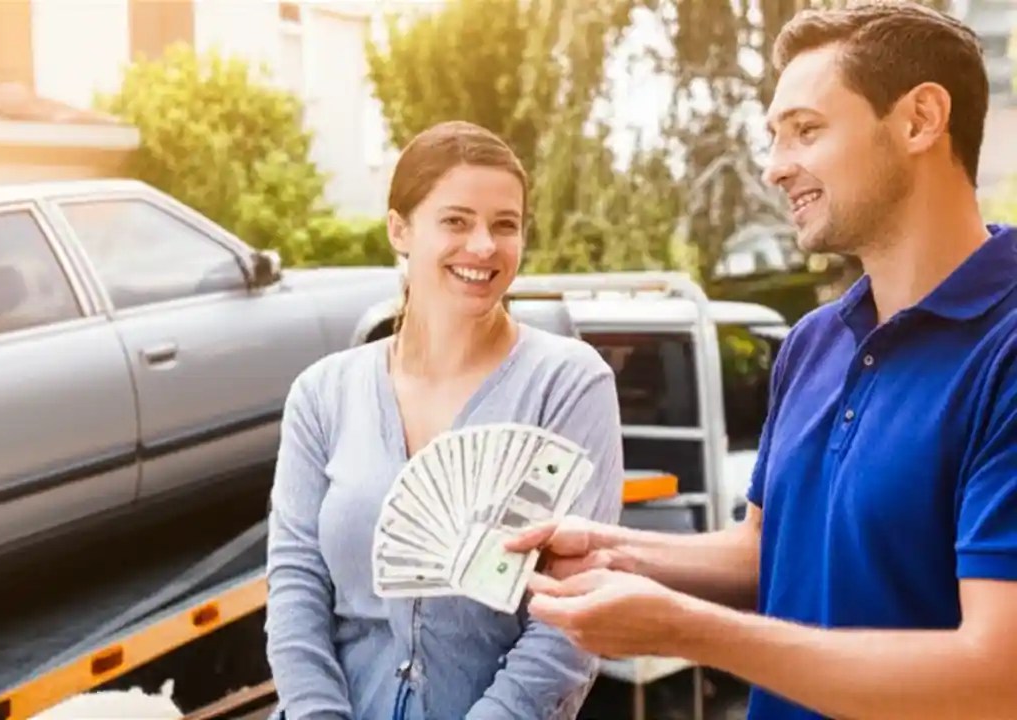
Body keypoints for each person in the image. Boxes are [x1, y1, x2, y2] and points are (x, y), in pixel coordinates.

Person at [506, 2, 1017, 719]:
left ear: (919, 120)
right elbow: (764, 550)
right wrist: (613, 553)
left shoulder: (1007, 352)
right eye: (774, 137)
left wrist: (684, 630)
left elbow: (997, 676)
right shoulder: (811, 342)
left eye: (806, 130)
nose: (776, 168)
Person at [263, 120, 626, 720]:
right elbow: (296, 585)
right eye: (456, 221)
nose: (483, 246)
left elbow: (570, 618)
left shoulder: (568, 383)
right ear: (399, 230)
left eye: (505, 225)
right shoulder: (322, 394)